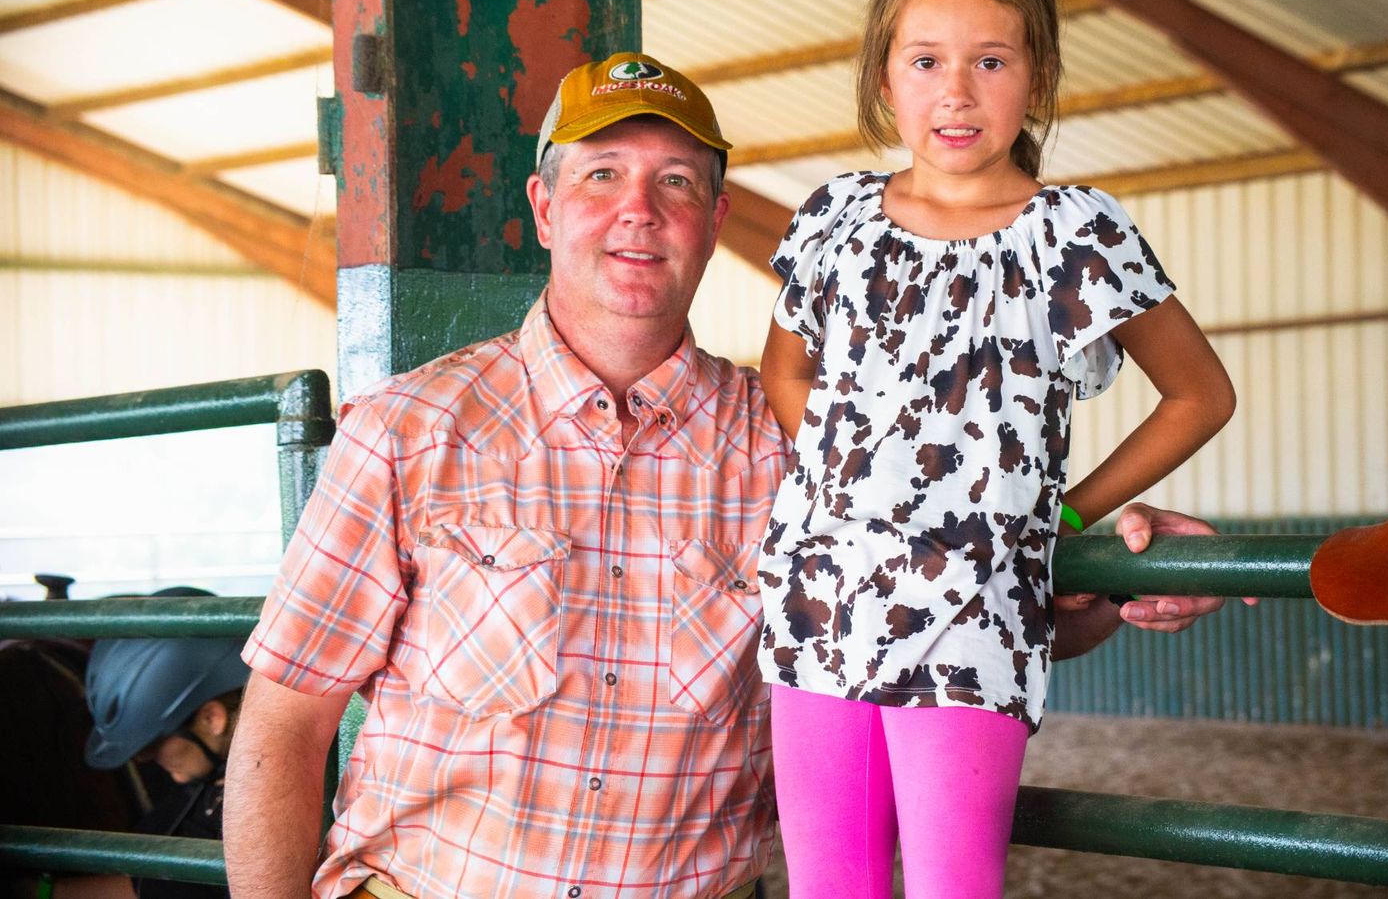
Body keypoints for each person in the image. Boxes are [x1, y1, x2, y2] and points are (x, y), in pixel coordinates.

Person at [222, 50, 1234, 899]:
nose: (640, 210)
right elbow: (284, 720)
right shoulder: (408, 429)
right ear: (542, 206)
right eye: (602, 175)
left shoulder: (802, 443)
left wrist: (1108, 570)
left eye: (678, 182)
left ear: (712, 220)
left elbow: (948, 612)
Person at [756, 0, 1238, 899]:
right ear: (884, 78)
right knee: (828, 884)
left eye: (990, 60)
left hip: (973, 612)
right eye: (925, 60)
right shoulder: (834, 217)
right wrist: (859, 492)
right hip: (819, 599)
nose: (957, 91)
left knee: (950, 883)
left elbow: (1198, 393)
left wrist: (1063, 512)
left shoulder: (1074, 236)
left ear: (1039, 73)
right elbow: (785, 373)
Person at [5, 587, 247, 899]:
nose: (142, 759)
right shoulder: (210, 779)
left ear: (212, 718)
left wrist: (45, 892)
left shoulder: (248, 804)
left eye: (150, 744)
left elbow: (172, 889)